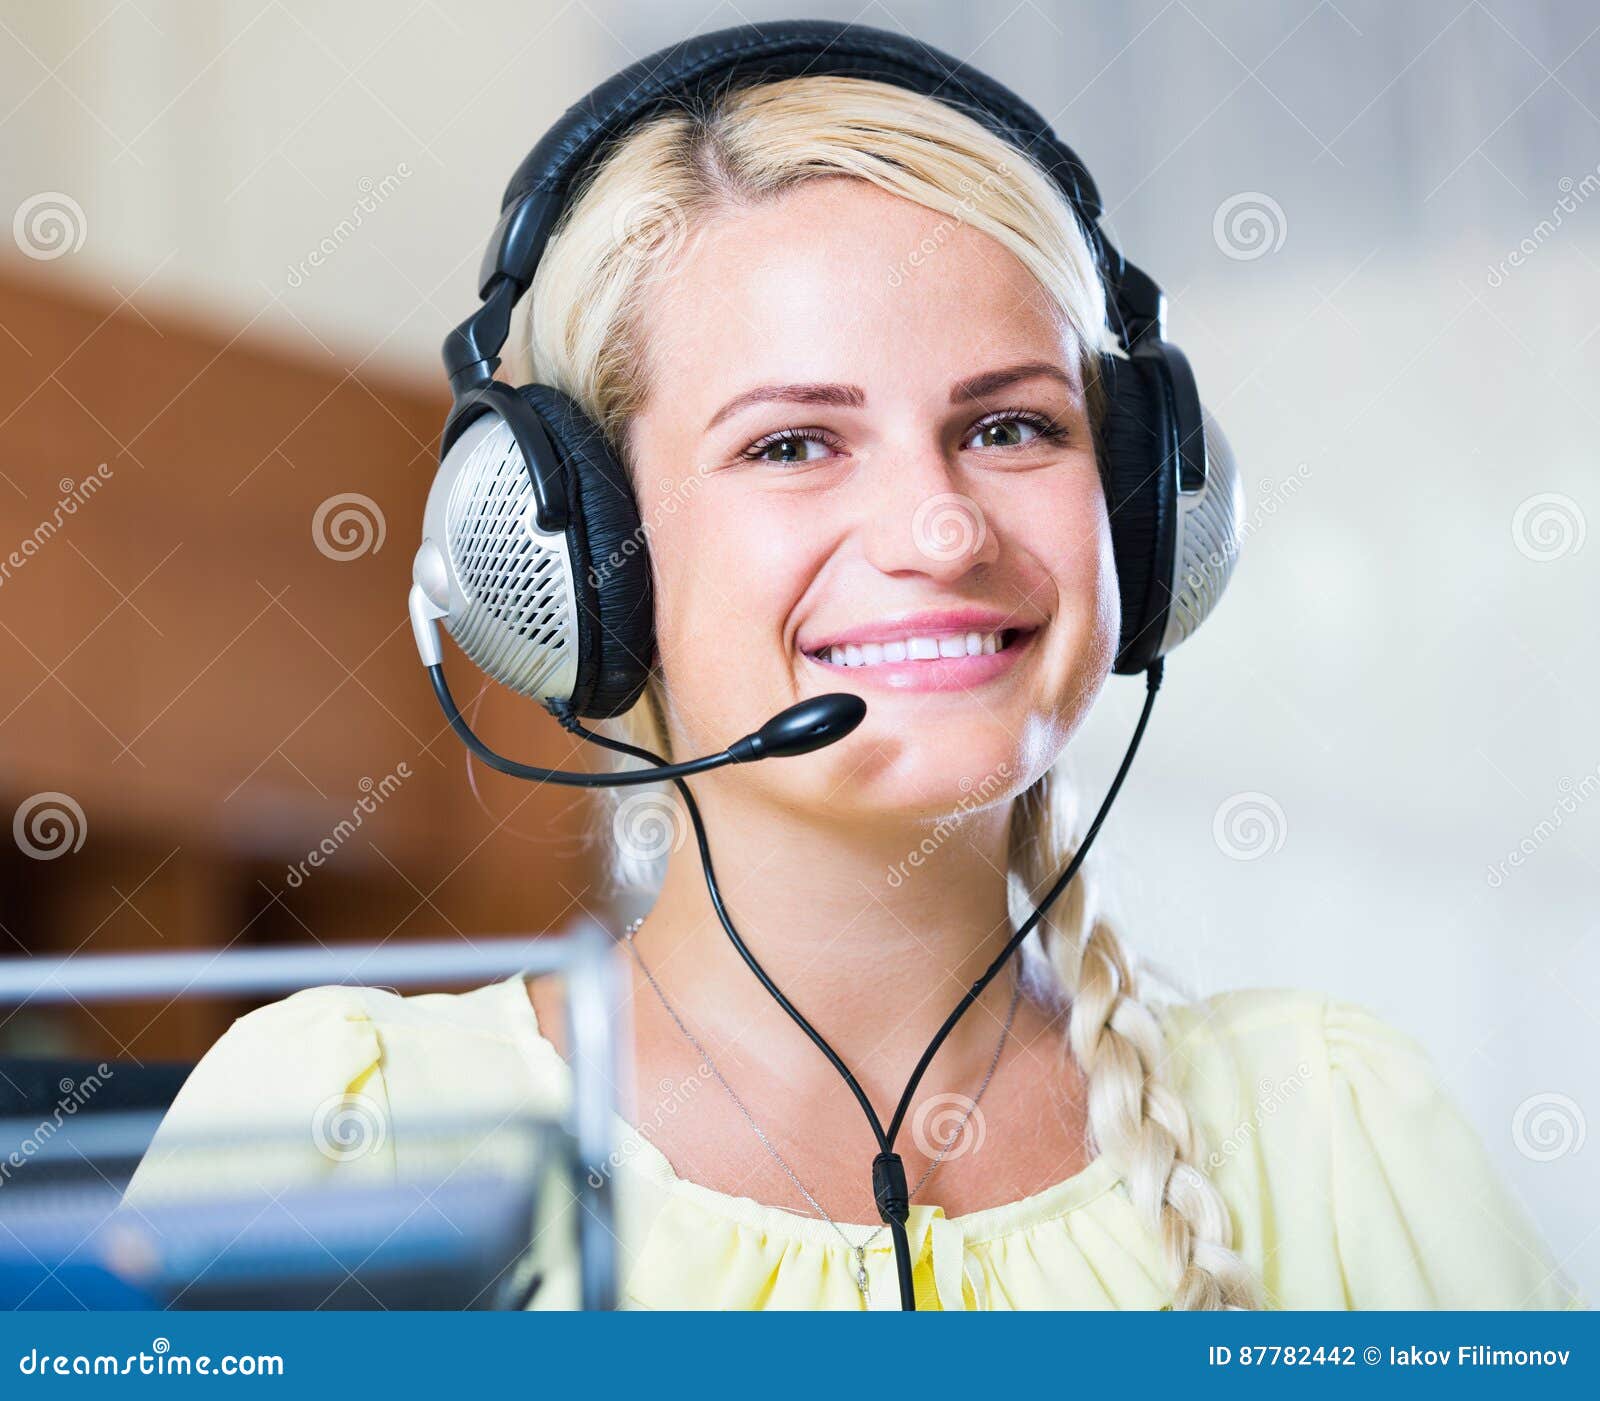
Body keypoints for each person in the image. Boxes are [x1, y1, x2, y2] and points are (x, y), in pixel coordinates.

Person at [124, 67, 1585, 1313]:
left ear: (1146, 508)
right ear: (578, 553)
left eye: (1012, 426)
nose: (942, 532)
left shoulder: (1332, 1133)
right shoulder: (358, 1134)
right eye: (793, 445)